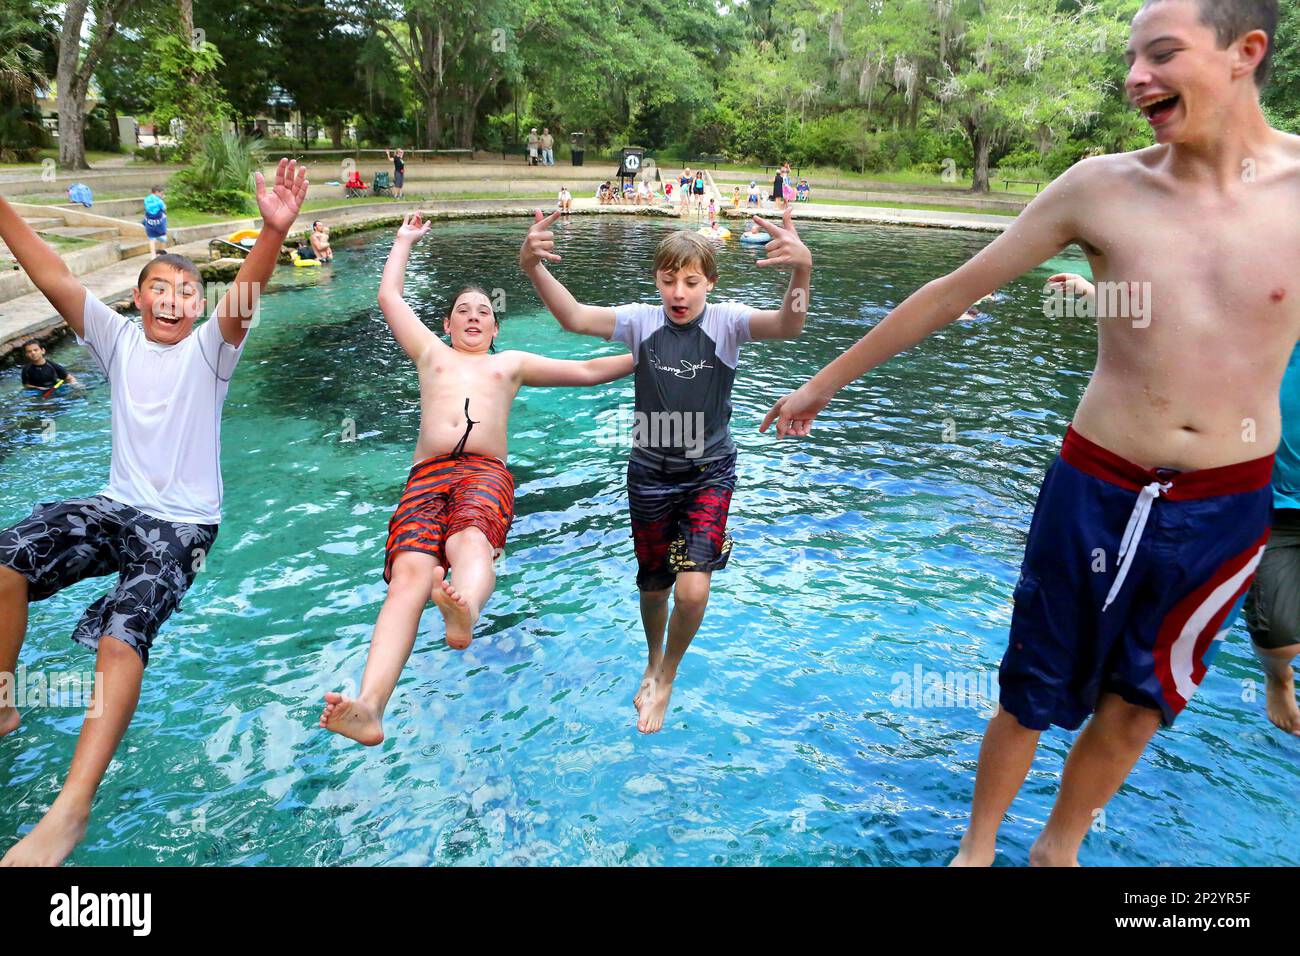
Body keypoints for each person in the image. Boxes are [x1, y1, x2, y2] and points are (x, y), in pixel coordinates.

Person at [761, 0, 1295, 867]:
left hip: (1226, 506)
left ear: (1246, 52)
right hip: (1098, 484)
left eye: (1162, 54)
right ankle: (975, 851)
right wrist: (823, 383)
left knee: (1144, 700)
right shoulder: (1101, 187)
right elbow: (953, 290)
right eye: (1130, 58)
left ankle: (1059, 849)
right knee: (1031, 689)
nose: (1135, 77)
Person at [0, 157, 309, 866]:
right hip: (115, 506)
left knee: (122, 630)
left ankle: (69, 812)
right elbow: (51, 274)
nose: (173, 300)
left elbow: (244, 300)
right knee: (8, 554)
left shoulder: (210, 352)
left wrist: (271, 231)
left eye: (186, 292)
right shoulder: (114, 342)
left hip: (183, 524)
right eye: (159, 289)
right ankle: (3, 698)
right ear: (137, 299)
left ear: (199, 307)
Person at [319, 213, 634, 747]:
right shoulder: (430, 354)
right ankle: (370, 706)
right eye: (462, 310)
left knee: (471, 542)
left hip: (484, 474)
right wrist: (402, 242)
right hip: (426, 477)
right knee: (408, 576)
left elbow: (586, 371)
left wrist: (649, 350)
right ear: (445, 324)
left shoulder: (508, 363)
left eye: (483, 311)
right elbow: (390, 297)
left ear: (494, 329)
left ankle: (463, 607)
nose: (472, 315)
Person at [520, 207, 813, 733]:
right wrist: (534, 269)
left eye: (692, 282)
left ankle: (669, 672)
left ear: (710, 283)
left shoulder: (727, 323)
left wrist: (801, 271)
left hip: (710, 471)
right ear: (656, 280)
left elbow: (790, 324)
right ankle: (652, 658)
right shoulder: (640, 321)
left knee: (693, 589)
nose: (679, 293)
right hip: (650, 474)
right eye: (668, 280)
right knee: (654, 588)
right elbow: (574, 318)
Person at [1051, 270, 1300, 738]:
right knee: (1282, 637)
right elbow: (1176, 326)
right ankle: (1277, 677)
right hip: (1273, 498)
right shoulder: (1271, 334)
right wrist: (1094, 294)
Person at [142, 185, 168, 257]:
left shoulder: (146, 199)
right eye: (161, 193)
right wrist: (162, 200)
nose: (162, 195)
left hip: (149, 221)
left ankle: (153, 256)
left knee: (151, 239)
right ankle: (162, 253)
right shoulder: (159, 201)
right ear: (157, 192)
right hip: (159, 222)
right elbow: (164, 208)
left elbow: (146, 208)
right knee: (163, 237)